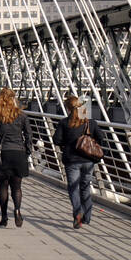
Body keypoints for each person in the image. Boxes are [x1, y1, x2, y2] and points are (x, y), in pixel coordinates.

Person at [53, 94, 104, 229]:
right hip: (88, 160)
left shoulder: (64, 123)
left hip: (72, 160)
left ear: (68, 108)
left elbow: (56, 140)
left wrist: (68, 143)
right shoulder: (90, 122)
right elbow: (101, 137)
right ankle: (87, 217)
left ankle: (77, 213)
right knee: (85, 187)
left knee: (73, 188)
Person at [0, 87, 32, 227]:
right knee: (17, 187)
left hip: (2, 154)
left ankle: (4, 217)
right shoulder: (22, 116)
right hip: (18, 153)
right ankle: (17, 211)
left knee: (3, 186)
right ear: (13, 99)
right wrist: (27, 151)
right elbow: (29, 135)